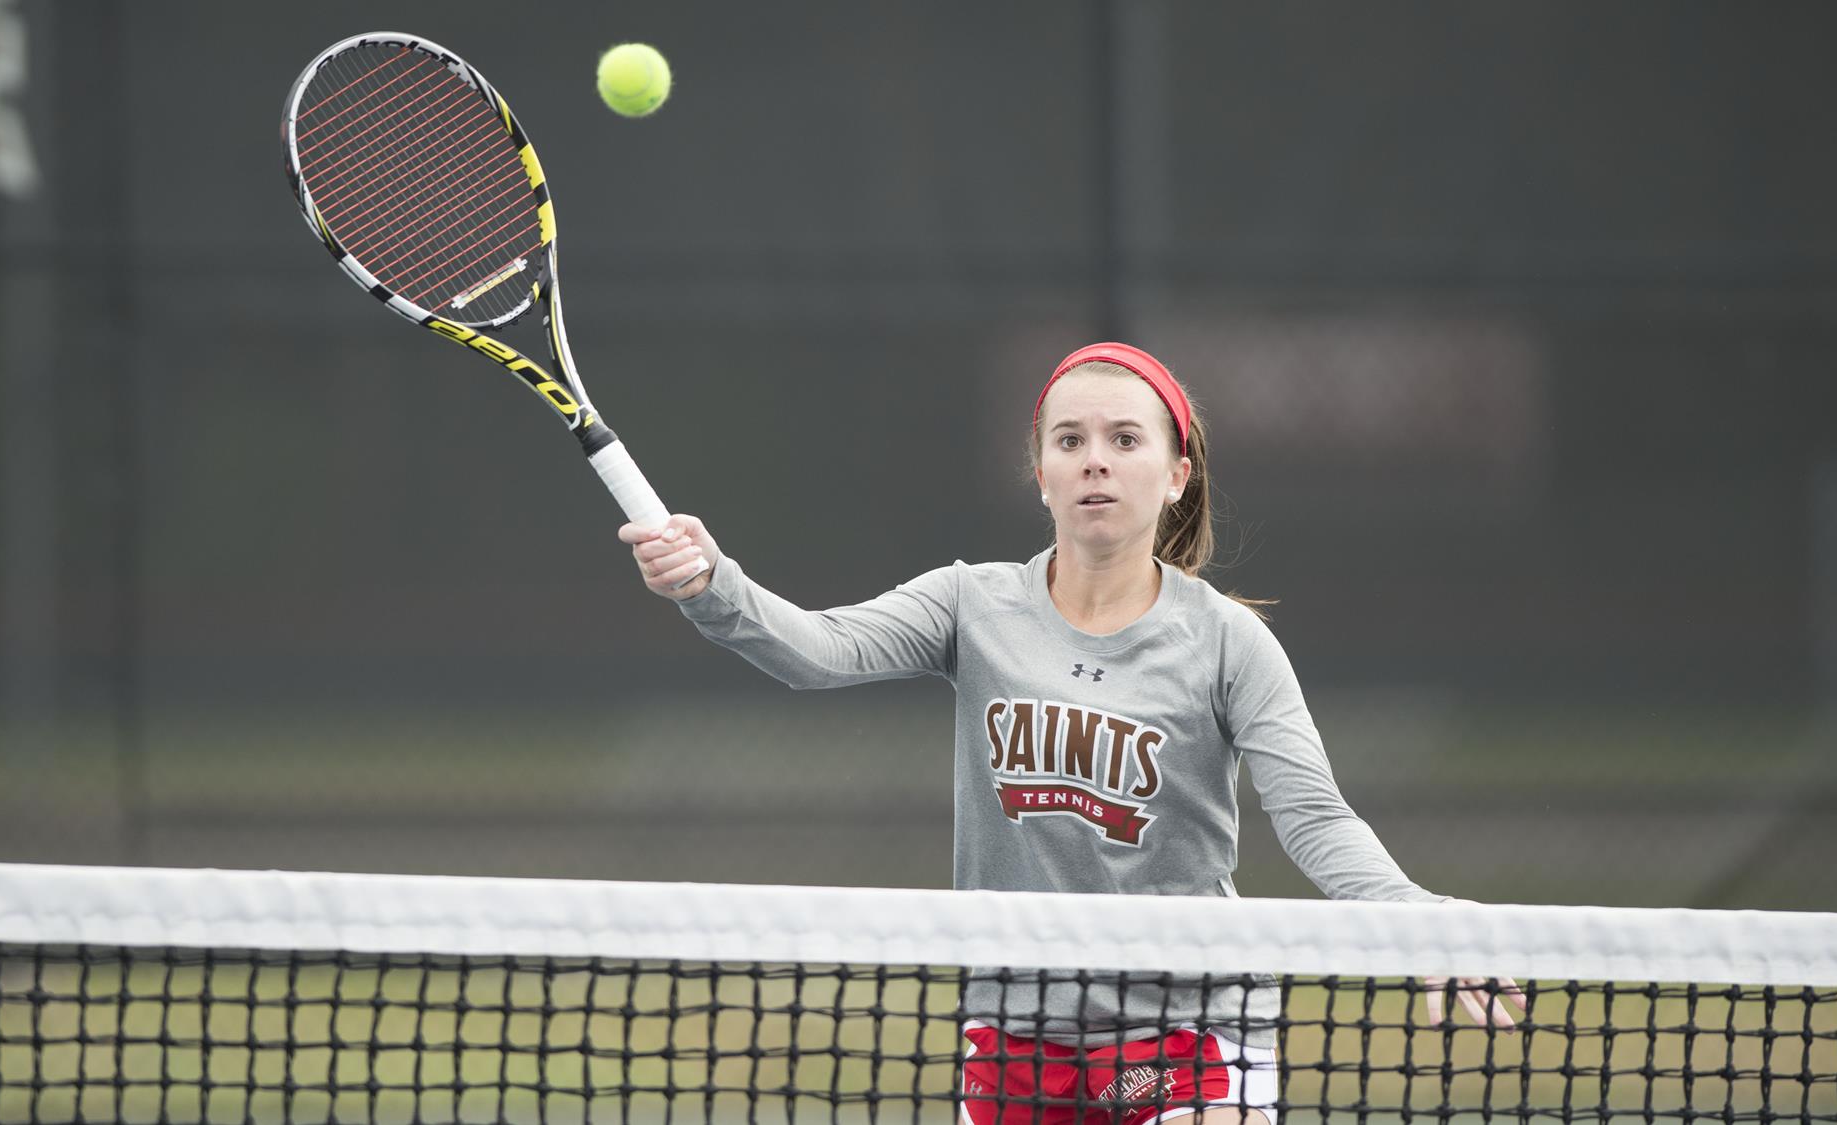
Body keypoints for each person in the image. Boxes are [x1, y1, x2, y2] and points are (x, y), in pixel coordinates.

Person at [618, 343, 1522, 1125]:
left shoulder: (1229, 642)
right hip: (1017, 1034)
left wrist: (1414, 919)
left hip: (1178, 1037)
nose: (1097, 460)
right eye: (1071, 440)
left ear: (1177, 473)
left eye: (1126, 440)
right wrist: (712, 584)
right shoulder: (971, 604)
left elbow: (1315, 818)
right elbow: (821, 649)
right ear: (1042, 471)